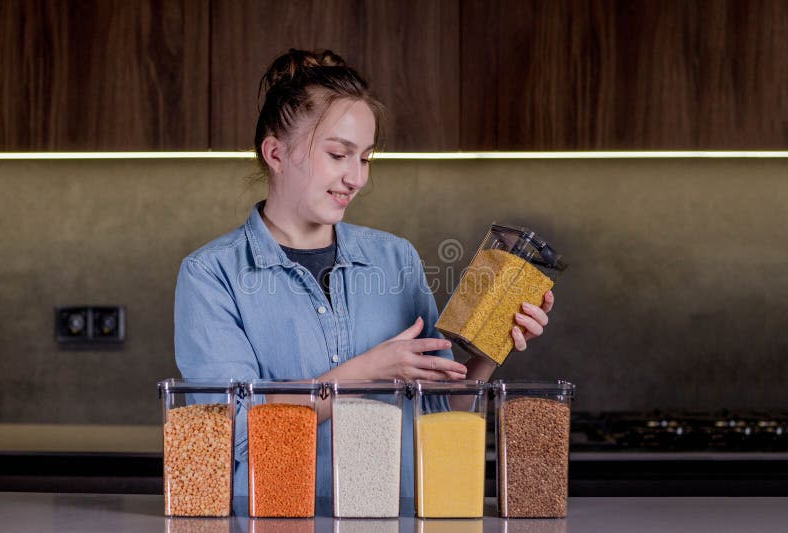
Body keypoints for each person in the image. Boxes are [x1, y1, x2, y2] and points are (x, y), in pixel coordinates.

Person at [174, 49, 555, 500]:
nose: (356, 178)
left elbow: (439, 408)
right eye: (338, 155)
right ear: (275, 153)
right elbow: (236, 428)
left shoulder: (395, 259)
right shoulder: (210, 275)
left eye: (367, 158)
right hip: (275, 521)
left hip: (395, 516)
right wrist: (366, 372)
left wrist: (494, 344)